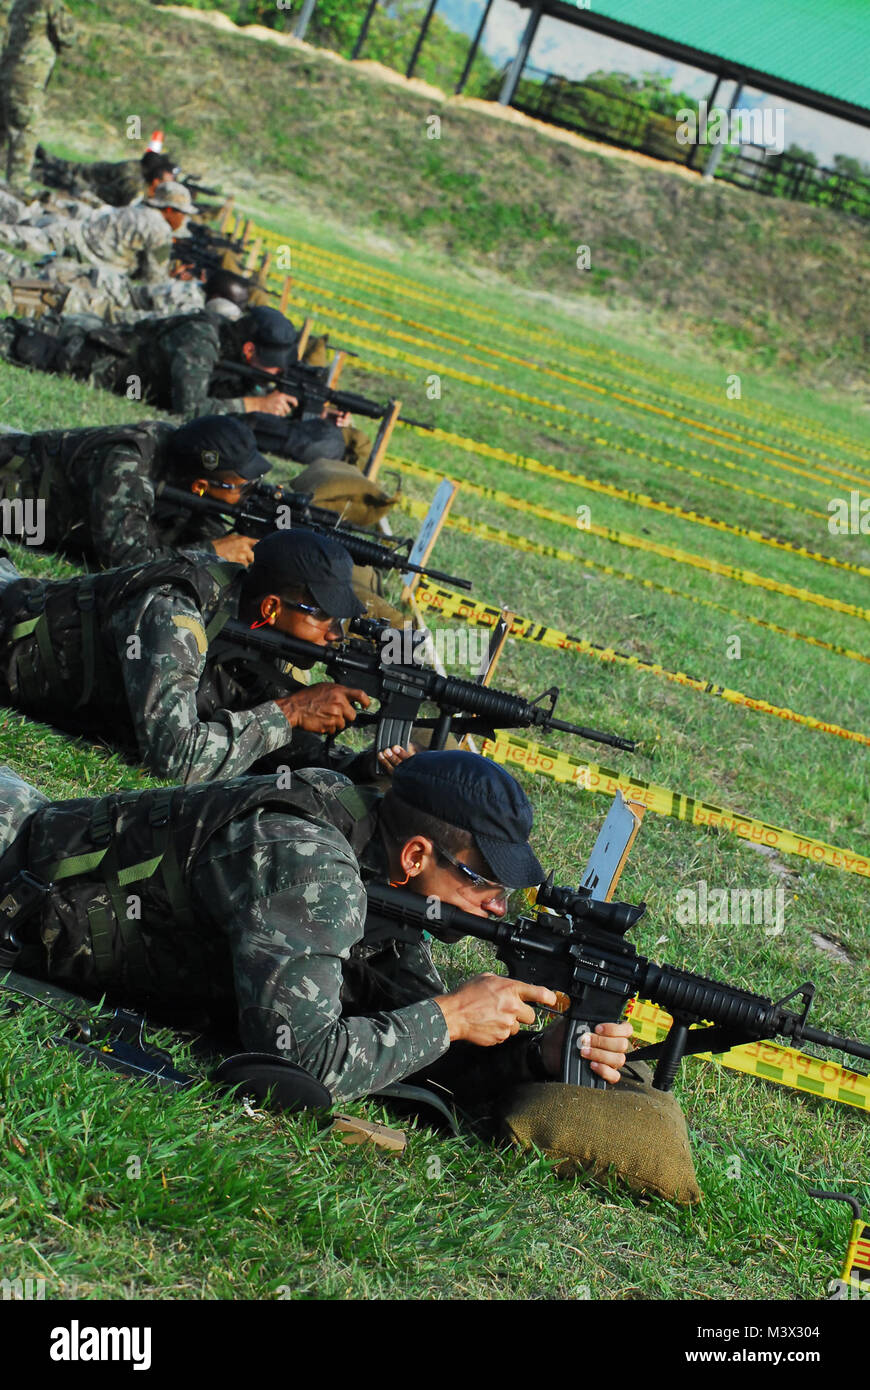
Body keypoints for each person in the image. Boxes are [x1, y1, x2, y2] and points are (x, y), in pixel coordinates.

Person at [0, 751, 633, 1107]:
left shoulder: (379, 862)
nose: (498, 906)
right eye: (481, 881)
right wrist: (450, 1015)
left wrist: (536, 1055)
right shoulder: (315, 870)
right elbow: (297, 1064)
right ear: (415, 857)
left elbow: (396, 1019)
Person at [0, 529, 374, 784]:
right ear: (272, 607)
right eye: (324, 616)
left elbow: (258, 722)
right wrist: (291, 711)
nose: (334, 634)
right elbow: (176, 758)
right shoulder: (175, 613)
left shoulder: (257, 629)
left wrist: (358, 765)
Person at [0, 298, 351, 460]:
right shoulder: (200, 339)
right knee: (16, 341)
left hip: (109, 362)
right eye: (273, 366)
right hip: (86, 360)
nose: (276, 374)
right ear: (248, 350)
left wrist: (311, 416)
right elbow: (191, 408)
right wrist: (254, 404)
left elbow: (225, 389)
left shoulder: (230, 355)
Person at [0, 414, 270, 569]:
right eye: (245, 487)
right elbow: (127, 563)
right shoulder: (127, 466)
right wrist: (212, 551)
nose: (251, 492)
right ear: (200, 486)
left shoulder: (180, 460)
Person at [0, 178, 197, 281]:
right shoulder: (159, 229)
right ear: (170, 210)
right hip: (72, 248)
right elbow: (154, 280)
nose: (183, 220)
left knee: (12, 233)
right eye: (182, 214)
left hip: (68, 234)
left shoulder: (140, 209)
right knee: (9, 237)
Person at [0, 0, 76, 191]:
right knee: (25, 130)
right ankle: (18, 186)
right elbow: (68, 36)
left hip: (7, 71)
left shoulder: (19, 3)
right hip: (29, 77)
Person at [33, 146, 175, 207]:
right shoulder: (132, 175)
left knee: (65, 173)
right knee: (66, 173)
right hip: (92, 180)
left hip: (94, 185)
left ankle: (42, 162)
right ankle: (40, 161)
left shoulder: (138, 175)